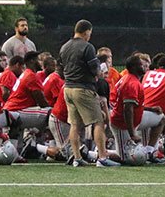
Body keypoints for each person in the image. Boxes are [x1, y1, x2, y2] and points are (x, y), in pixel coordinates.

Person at [59, 19, 119, 167]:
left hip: (68, 88)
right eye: (89, 34)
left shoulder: (65, 47)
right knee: (98, 121)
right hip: (83, 88)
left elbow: (60, 69)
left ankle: (77, 158)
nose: (89, 36)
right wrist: (100, 72)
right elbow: (94, 69)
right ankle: (102, 158)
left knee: (75, 124)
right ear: (86, 32)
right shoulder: (87, 47)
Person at [110, 53, 148, 161]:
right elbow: (128, 109)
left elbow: (136, 106)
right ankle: (96, 154)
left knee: (159, 118)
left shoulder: (130, 79)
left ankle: (151, 150)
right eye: (141, 65)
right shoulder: (132, 83)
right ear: (134, 67)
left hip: (127, 122)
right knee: (124, 158)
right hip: (121, 123)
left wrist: (151, 109)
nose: (144, 67)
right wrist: (132, 134)